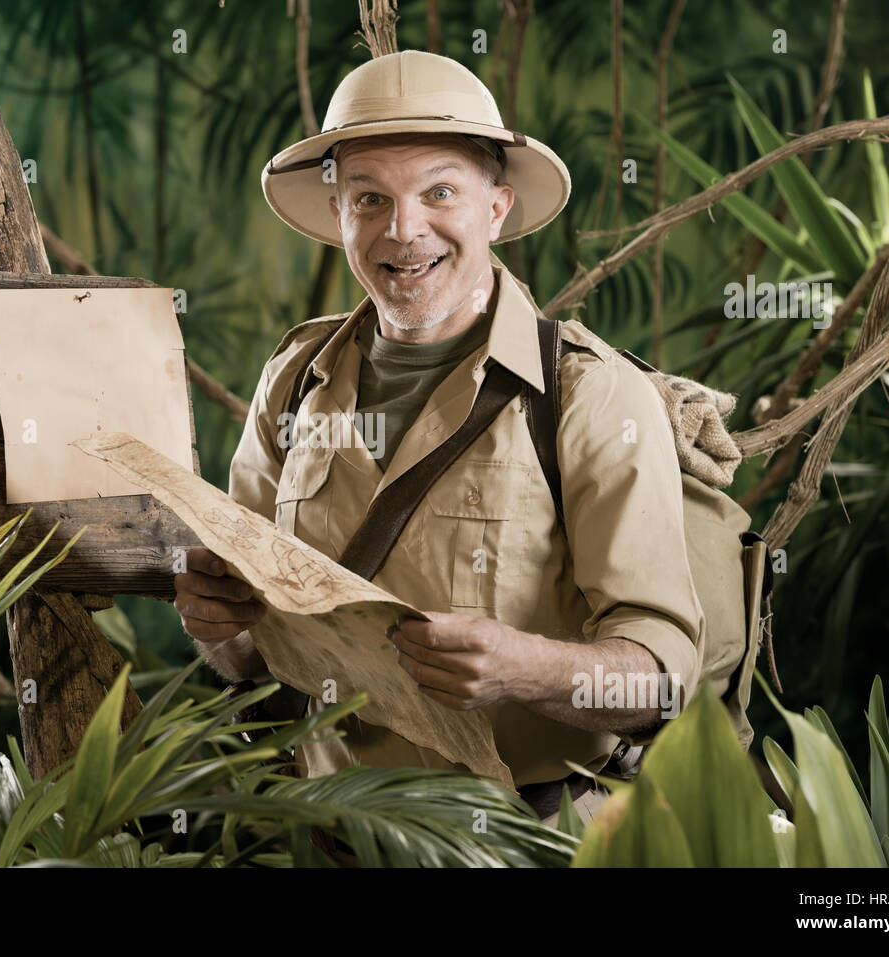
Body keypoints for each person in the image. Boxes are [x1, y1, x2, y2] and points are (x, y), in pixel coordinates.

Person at [172, 50, 705, 828]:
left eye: (440, 192)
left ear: (495, 207)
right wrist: (219, 629)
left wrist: (525, 669)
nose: (403, 230)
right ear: (337, 215)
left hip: (525, 842)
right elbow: (252, 663)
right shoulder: (292, 382)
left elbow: (662, 681)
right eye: (369, 199)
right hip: (326, 836)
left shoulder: (587, 396)